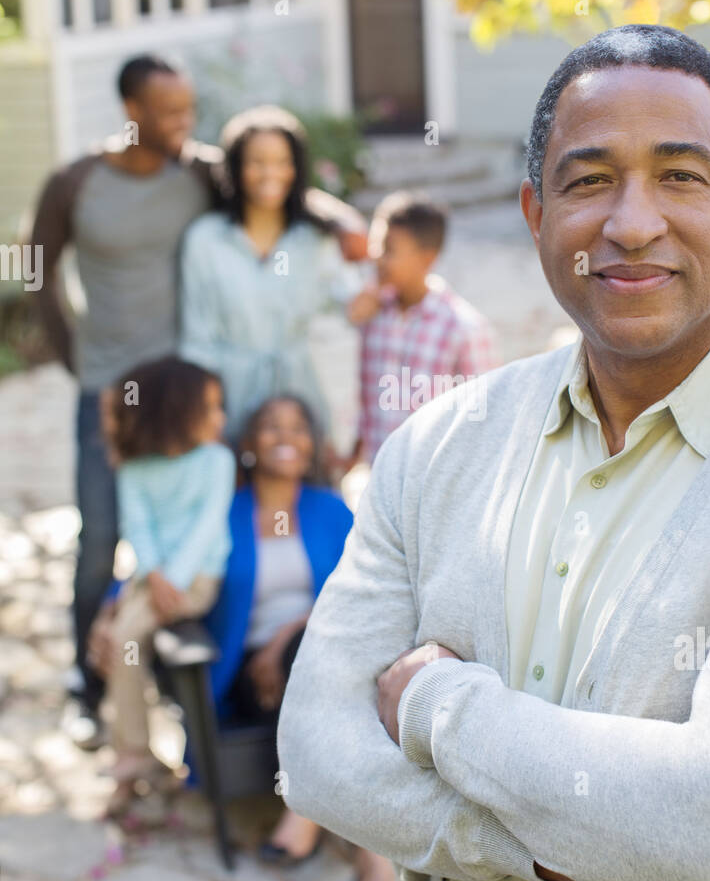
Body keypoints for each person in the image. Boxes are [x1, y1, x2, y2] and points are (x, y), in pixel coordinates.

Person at [278, 24, 710, 881]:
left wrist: (435, 703)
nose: (632, 223)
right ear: (534, 213)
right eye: (588, 181)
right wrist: (556, 836)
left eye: (680, 177)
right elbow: (318, 749)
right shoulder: (440, 445)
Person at [28, 55, 366, 747]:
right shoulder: (77, 182)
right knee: (102, 538)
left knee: (226, 517)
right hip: (113, 393)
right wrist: (77, 360)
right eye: (171, 112)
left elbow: (276, 179)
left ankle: (255, 673)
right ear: (131, 109)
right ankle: (89, 688)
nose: (186, 124)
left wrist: (341, 217)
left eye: (189, 111)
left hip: (188, 390)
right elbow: (37, 269)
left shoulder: (197, 168)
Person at [205, 394, 398, 881]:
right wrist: (112, 613)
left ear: (312, 443)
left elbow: (363, 587)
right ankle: (373, 857)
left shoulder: (327, 508)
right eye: (271, 426)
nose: (286, 436)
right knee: (331, 679)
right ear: (248, 444)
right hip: (253, 673)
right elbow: (166, 565)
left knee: (313, 658)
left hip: (315, 651)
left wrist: (287, 633)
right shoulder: (225, 511)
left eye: (298, 426)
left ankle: (308, 816)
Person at [87, 356, 236, 818]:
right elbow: (139, 525)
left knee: (125, 638)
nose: (221, 418)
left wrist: (170, 580)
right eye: (211, 407)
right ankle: (136, 755)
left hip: (196, 581)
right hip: (150, 582)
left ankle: (131, 754)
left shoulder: (217, 460)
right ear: (177, 411)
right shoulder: (136, 468)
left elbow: (207, 526)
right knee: (115, 641)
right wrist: (152, 573)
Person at [179, 106, 371, 447]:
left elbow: (349, 304)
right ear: (236, 167)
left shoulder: (313, 238)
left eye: (283, 162)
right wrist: (208, 420)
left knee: (312, 493)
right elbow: (197, 341)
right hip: (232, 402)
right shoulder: (205, 240)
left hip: (301, 397)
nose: (271, 173)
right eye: (257, 162)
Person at [351, 192, 499, 463]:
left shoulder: (464, 328)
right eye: (376, 245)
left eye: (389, 249)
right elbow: (369, 401)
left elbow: (484, 419)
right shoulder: (372, 315)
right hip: (378, 475)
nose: (377, 257)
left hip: (433, 480)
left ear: (426, 258)